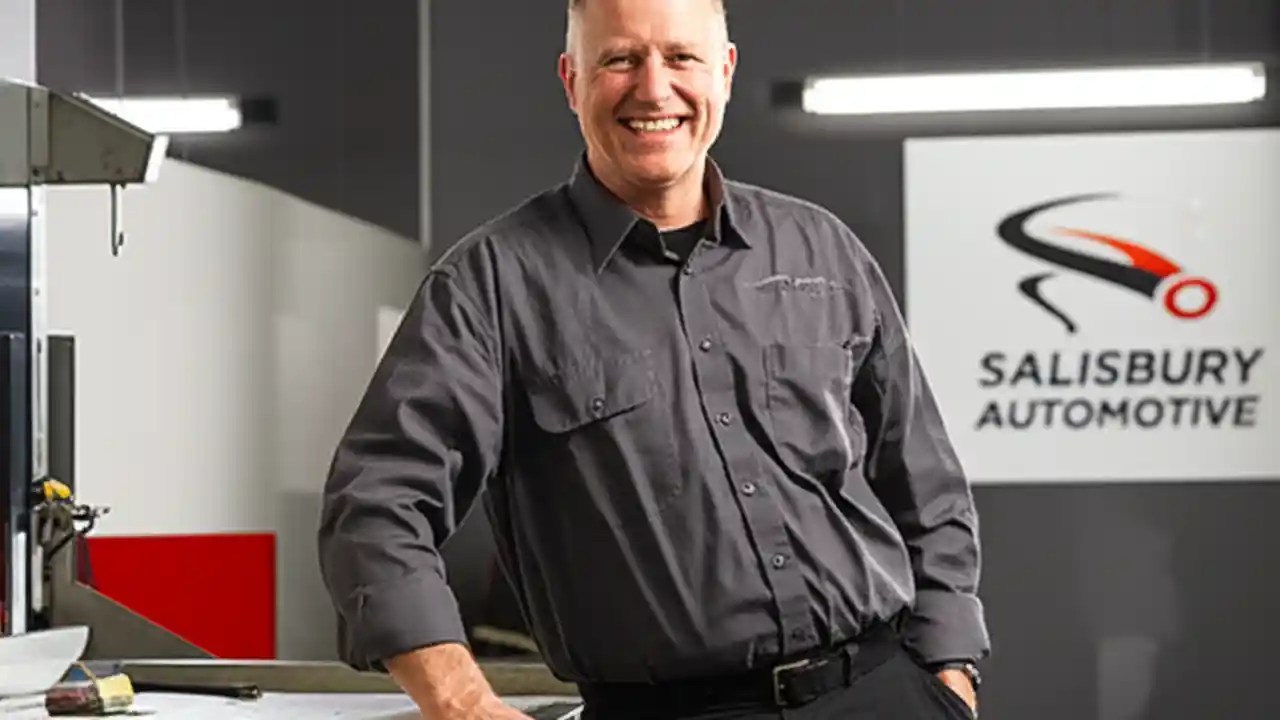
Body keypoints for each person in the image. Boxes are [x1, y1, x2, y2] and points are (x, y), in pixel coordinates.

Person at [318, 0, 990, 718]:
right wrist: (459, 702)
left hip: (883, 691)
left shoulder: (820, 249)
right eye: (620, 59)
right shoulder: (491, 286)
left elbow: (922, 478)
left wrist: (949, 671)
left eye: (680, 57)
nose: (653, 88)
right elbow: (376, 508)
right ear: (571, 80)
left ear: (724, 72)